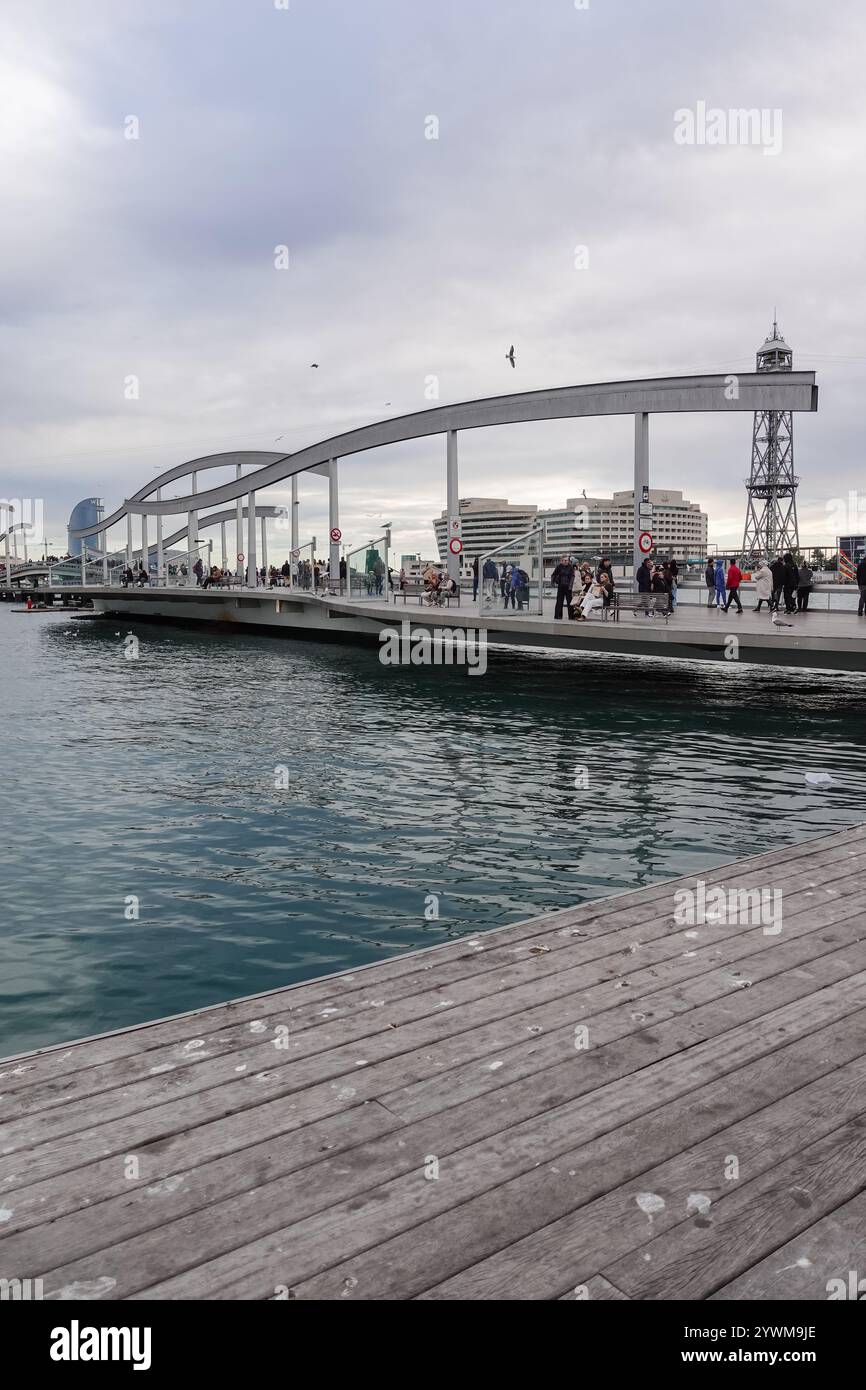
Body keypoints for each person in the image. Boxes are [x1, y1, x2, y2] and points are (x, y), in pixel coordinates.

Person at [551, 555, 575, 620]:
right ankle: (558, 616)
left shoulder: (570, 567)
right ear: (561, 561)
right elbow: (553, 575)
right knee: (559, 601)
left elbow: (573, 577)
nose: (566, 561)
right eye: (564, 560)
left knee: (569, 602)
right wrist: (553, 583)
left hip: (568, 587)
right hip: (561, 586)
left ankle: (571, 616)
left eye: (567, 560)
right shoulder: (558, 567)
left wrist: (570, 586)